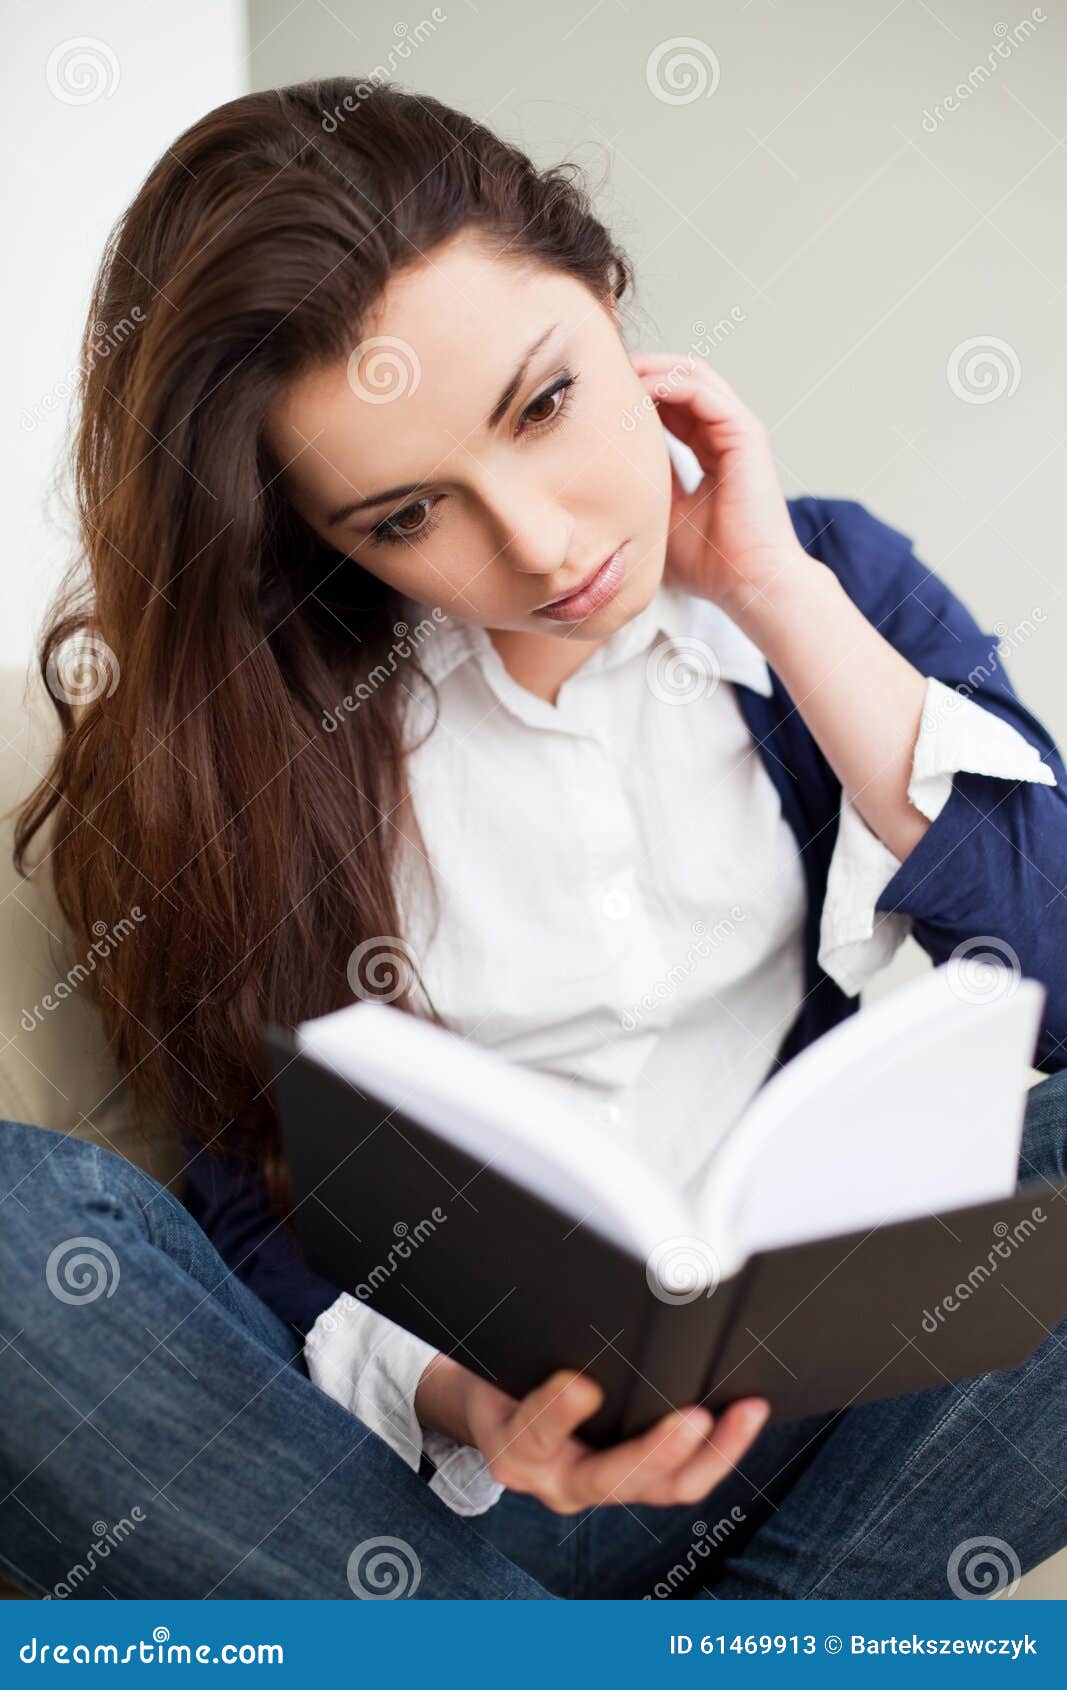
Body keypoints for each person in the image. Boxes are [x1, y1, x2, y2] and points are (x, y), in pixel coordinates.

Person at [3, 75, 1066, 1600]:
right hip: (415, 1497)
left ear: (605, 290)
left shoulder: (824, 585)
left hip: (813, 1440)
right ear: (311, 536)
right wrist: (475, 1405)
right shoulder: (247, 738)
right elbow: (256, 1204)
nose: (544, 544)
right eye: (405, 515)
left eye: (546, 404)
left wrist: (777, 593)